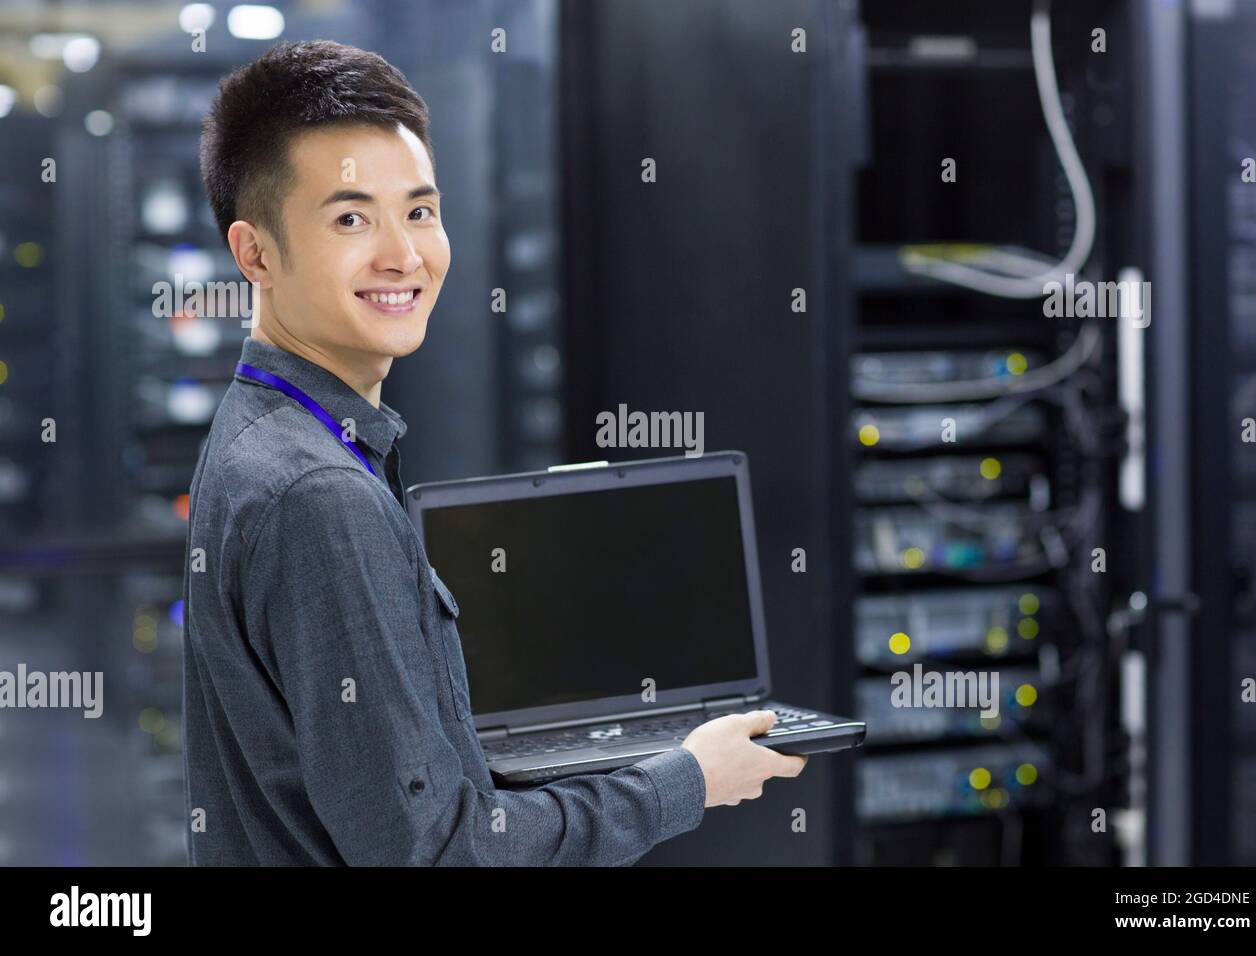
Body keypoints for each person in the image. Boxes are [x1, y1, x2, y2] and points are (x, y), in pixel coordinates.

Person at [182, 39, 806, 866]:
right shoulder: (318, 493)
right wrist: (685, 780)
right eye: (350, 218)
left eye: (420, 210)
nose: (403, 254)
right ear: (254, 253)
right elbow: (437, 852)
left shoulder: (263, 432)